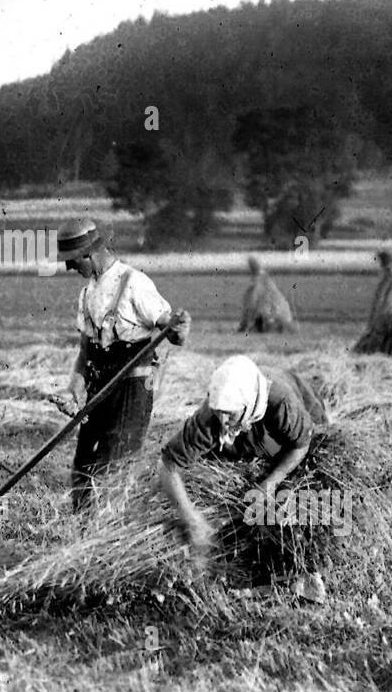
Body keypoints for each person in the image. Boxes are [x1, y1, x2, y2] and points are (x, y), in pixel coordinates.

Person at [158, 355, 330, 593]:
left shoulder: (282, 404)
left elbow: (301, 445)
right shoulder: (214, 414)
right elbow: (168, 465)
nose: (223, 420)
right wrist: (192, 518)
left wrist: (270, 483)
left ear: (248, 406)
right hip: (254, 421)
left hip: (303, 411)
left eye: (230, 414)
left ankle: (301, 573)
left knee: (301, 485)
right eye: (220, 412)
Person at [56, 217, 190, 512]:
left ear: (89, 254)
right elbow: (84, 353)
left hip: (131, 389)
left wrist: (179, 326)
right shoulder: (87, 293)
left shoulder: (134, 283)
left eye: (72, 260)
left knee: (112, 469)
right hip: (99, 388)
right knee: (82, 470)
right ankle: (81, 537)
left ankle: (110, 537)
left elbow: (173, 332)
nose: (68, 268)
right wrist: (72, 392)